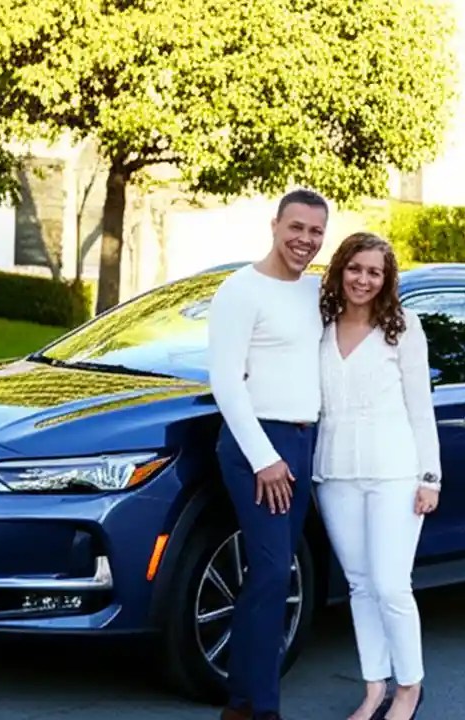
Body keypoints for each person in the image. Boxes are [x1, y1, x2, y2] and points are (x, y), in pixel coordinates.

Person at [207, 188, 330, 720]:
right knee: (273, 570)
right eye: (297, 227)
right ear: (275, 224)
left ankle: (242, 701)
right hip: (261, 446)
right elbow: (225, 383)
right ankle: (259, 707)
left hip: (303, 443)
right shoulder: (240, 290)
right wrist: (263, 458)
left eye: (316, 232)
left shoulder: (315, 292)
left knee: (275, 574)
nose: (305, 240)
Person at [312, 232, 441, 720]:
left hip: (395, 472)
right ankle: (374, 689)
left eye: (374, 272)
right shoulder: (321, 324)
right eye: (355, 268)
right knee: (360, 585)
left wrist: (431, 477)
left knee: (390, 584)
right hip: (335, 472)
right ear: (340, 270)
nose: (363, 279)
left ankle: (409, 688)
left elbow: (421, 408)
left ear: (386, 280)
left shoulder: (403, 328)